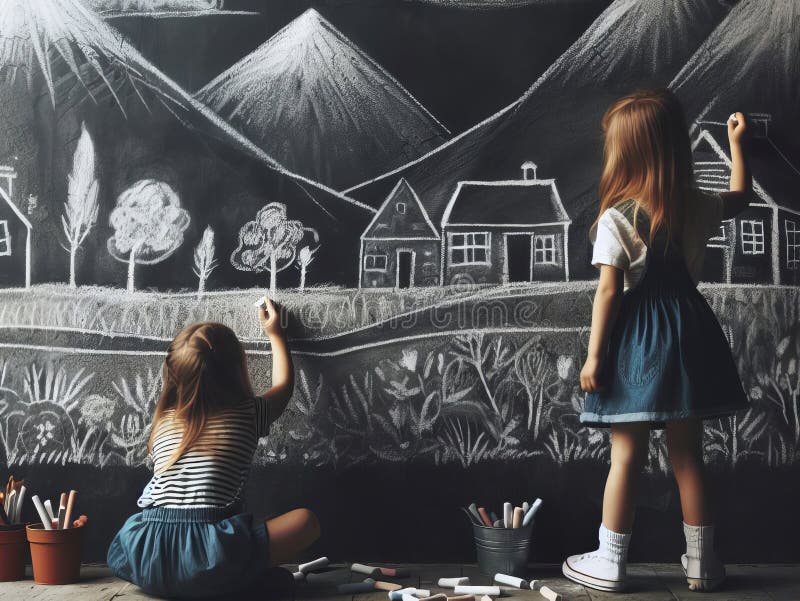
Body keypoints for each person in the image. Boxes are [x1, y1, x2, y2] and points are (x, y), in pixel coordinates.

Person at [562, 89, 750, 593]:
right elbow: (742, 198)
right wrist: (738, 146)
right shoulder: (697, 206)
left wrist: (594, 357)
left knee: (625, 456)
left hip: (640, 346)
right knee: (688, 456)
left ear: (626, 153)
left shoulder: (617, 218)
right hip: (691, 333)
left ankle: (610, 561)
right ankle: (702, 562)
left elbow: (608, 293)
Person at [108, 297, 319, 598]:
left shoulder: (164, 422)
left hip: (149, 553)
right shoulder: (248, 413)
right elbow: (283, 385)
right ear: (236, 372)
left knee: (201, 554)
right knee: (306, 522)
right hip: (210, 552)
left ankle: (199, 581)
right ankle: (226, 580)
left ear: (175, 376)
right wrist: (276, 334)